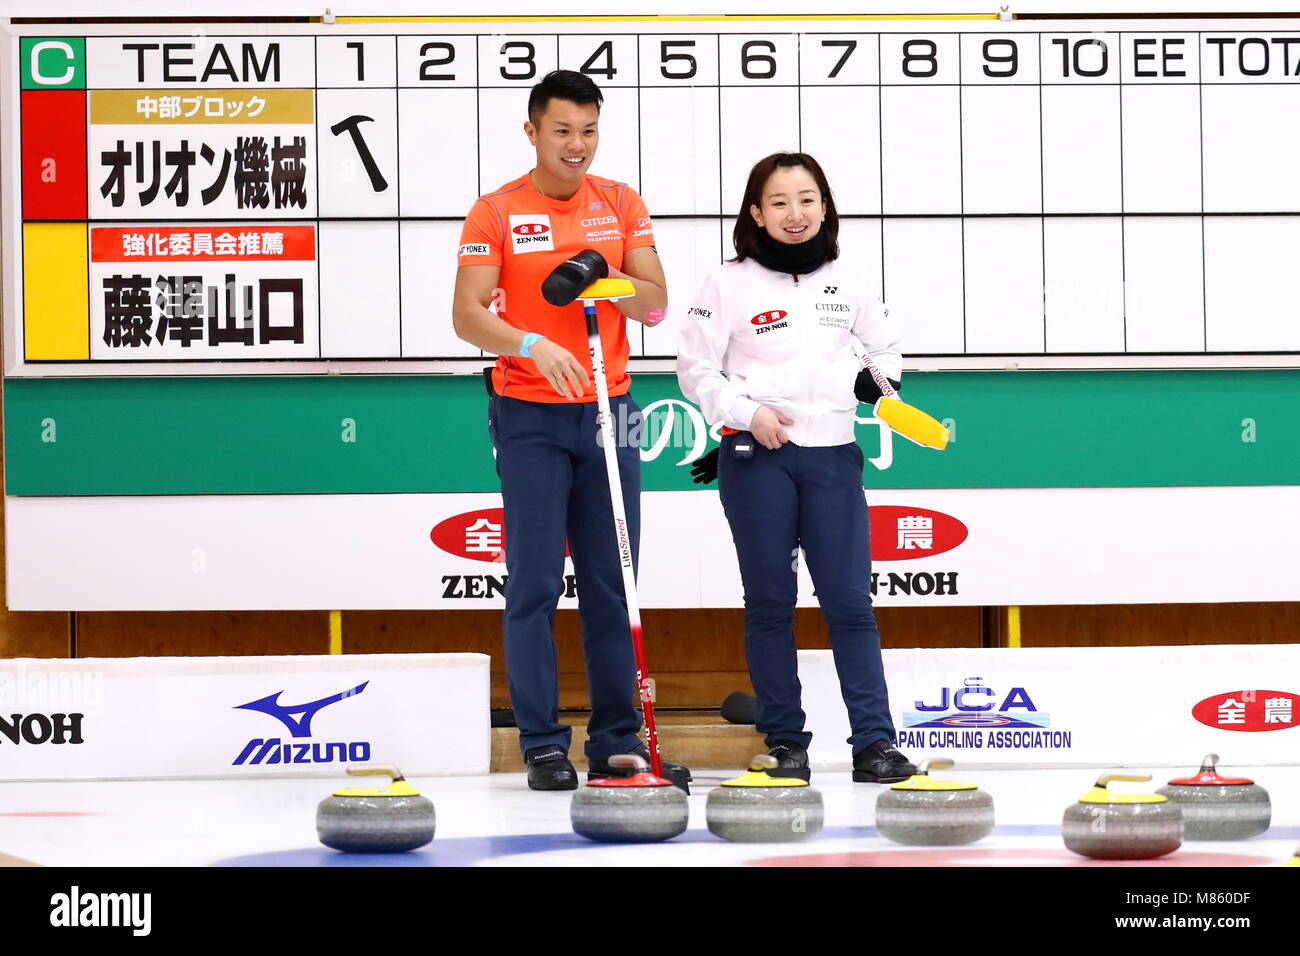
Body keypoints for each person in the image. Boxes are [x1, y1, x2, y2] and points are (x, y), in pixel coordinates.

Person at [452, 70, 687, 791]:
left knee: (613, 582)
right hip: (528, 411)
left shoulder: (619, 203)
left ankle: (618, 739)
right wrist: (528, 342)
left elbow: (653, 305)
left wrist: (599, 276)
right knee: (531, 584)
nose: (576, 145)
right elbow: (467, 316)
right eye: (562, 130)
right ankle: (542, 744)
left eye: (588, 130)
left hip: (609, 411)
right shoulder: (495, 211)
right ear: (533, 132)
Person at [676, 151, 915, 783]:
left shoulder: (852, 274)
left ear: (825, 206)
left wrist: (877, 381)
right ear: (756, 212)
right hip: (759, 456)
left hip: (833, 456)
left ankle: (875, 744)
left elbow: (887, 350)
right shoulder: (726, 282)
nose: (795, 213)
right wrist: (745, 412)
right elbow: (695, 370)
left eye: (807, 199)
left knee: (849, 604)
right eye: (779, 202)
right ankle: (785, 741)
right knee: (770, 604)